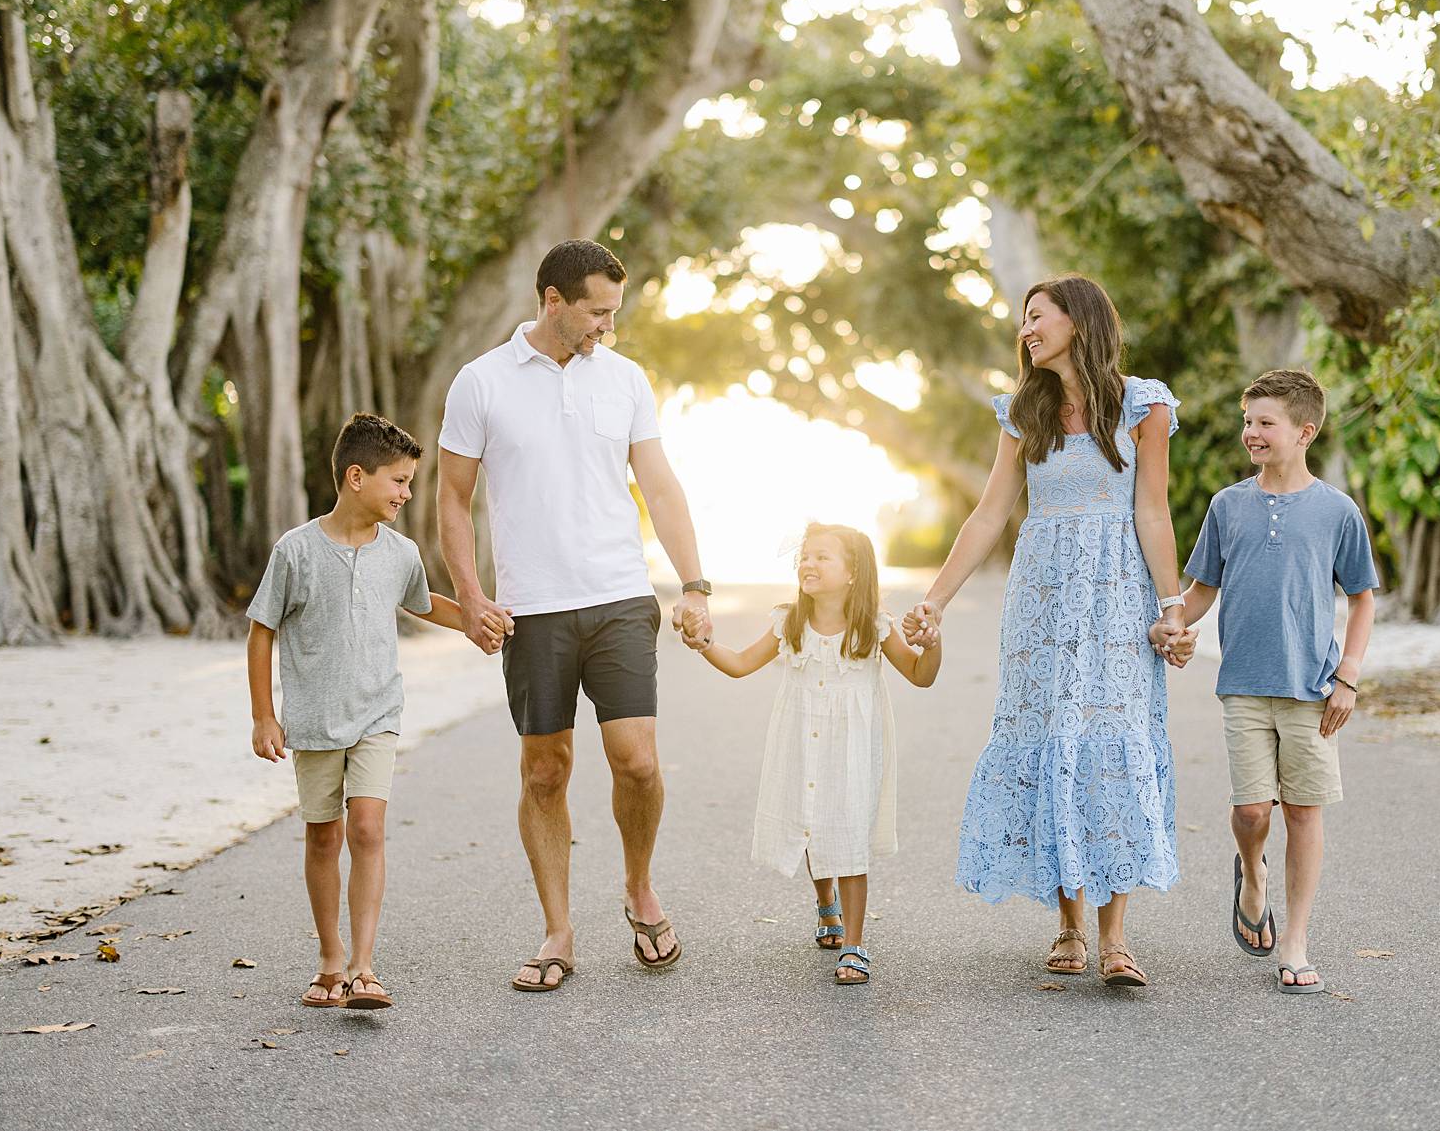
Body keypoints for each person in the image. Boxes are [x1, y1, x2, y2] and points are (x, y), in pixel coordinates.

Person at [436, 239, 712, 993]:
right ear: (553, 301)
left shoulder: (624, 379)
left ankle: (639, 884)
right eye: (597, 312)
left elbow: (659, 484)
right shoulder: (481, 381)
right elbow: (450, 501)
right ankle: (558, 928)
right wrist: (471, 598)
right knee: (545, 771)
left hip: (621, 594)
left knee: (639, 761)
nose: (608, 327)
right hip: (533, 609)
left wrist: (695, 582)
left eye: (614, 312)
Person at [903, 273, 1187, 988]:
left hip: (1117, 594)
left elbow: (1152, 511)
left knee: (1112, 739)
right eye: (1023, 320)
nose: (1026, 329)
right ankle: (1067, 921)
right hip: (1042, 602)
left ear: (1078, 318)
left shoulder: (1142, 404)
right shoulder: (1021, 413)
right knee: (1054, 735)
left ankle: (1115, 934)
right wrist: (934, 599)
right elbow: (990, 514)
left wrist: (1171, 604)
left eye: (1037, 316)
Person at [247, 413, 507, 1011]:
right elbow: (261, 631)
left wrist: (475, 617)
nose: (407, 493)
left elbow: (422, 604)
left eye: (411, 482)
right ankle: (330, 960)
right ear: (356, 477)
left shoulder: (401, 553)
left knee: (366, 828)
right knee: (322, 836)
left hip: (377, 714)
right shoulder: (297, 551)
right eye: (399, 481)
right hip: (313, 720)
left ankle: (364, 968)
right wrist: (265, 716)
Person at [1162, 368, 1377, 994]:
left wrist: (1349, 678)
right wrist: (1172, 624)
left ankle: (1297, 940)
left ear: (1304, 432)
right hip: (1245, 684)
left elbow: (1362, 599)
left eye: (1265, 423)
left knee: (1305, 813)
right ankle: (1251, 874)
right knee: (1253, 810)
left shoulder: (1337, 511)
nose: (1250, 433)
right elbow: (1201, 589)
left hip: (1313, 689)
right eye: (1248, 421)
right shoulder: (1228, 505)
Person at [692, 524, 941, 984]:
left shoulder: (874, 625)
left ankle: (855, 944)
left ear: (852, 573)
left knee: (846, 836)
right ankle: (827, 906)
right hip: (800, 738)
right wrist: (704, 643)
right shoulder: (789, 622)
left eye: (823, 557)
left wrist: (932, 644)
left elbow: (921, 676)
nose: (809, 563)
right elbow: (742, 664)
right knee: (811, 824)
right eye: (805, 556)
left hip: (853, 747)